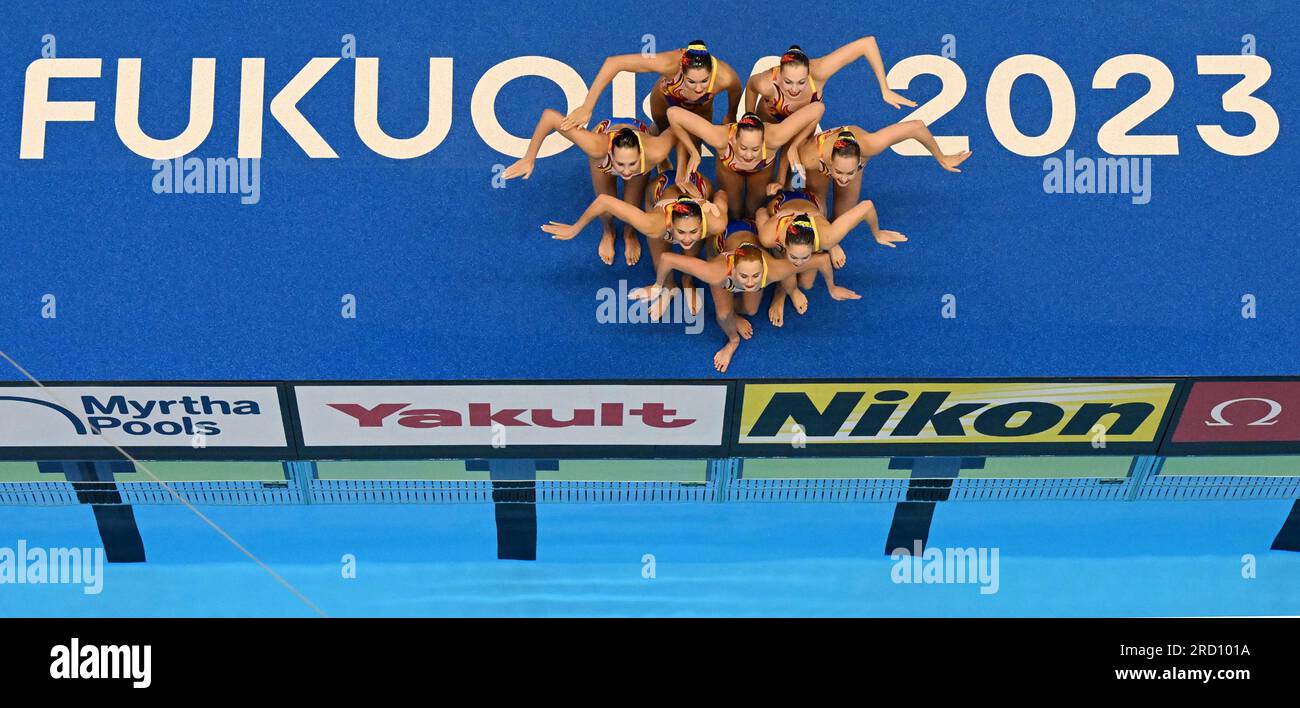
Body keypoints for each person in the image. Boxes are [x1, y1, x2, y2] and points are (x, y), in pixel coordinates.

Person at [632, 223, 859, 372]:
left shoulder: (775, 269)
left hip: (751, 230)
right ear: (734, 270)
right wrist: (658, 285)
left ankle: (770, 298)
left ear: (763, 269)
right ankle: (733, 341)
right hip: (722, 240)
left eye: (755, 277)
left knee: (750, 311)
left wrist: (832, 287)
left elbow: (820, 260)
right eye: (744, 277)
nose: (750, 283)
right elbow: (667, 258)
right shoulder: (716, 271)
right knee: (723, 313)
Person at [503, 111, 685, 265]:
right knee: (606, 212)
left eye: (632, 163)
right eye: (620, 164)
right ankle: (608, 232)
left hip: (642, 139)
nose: (626, 172)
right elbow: (550, 116)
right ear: (611, 154)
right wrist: (529, 157)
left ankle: (630, 235)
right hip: (603, 141)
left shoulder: (656, 151)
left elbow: (676, 128)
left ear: (641, 155)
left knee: (632, 205)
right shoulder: (596, 148)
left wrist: (688, 160)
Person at [668, 103, 824, 218]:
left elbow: (818, 108)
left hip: (761, 170)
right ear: (734, 140)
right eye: (743, 148)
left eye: (755, 149)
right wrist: (693, 152)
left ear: (764, 141)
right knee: (733, 209)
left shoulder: (776, 136)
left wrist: (794, 147)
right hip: (729, 169)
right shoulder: (719, 137)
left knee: (753, 208)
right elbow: (673, 113)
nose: (748, 155)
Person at [561, 41, 744, 133]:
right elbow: (613, 63)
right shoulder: (668, 63)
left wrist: (731, 114)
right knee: (662, 131)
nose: (698, 89)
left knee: (693, 144)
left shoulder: (725, 76)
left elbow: (735, 90)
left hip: (701, 110)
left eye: (704, 82)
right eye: (691, 81)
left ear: (711, 73)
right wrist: (587, 106)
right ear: (681, 69)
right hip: (665, 100)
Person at [745, 40, 916, 123]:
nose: (794, 89)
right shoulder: (766, 83)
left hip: (804, 120)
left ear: (809, 73)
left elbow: (867, 43)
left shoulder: (819, 71)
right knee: (758, 153)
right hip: (771, 114)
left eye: (801, 82)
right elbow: (752, 88)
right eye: (788, 82)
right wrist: (749, 116)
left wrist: (884, 89)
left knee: (798, 163)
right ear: (780, 75)